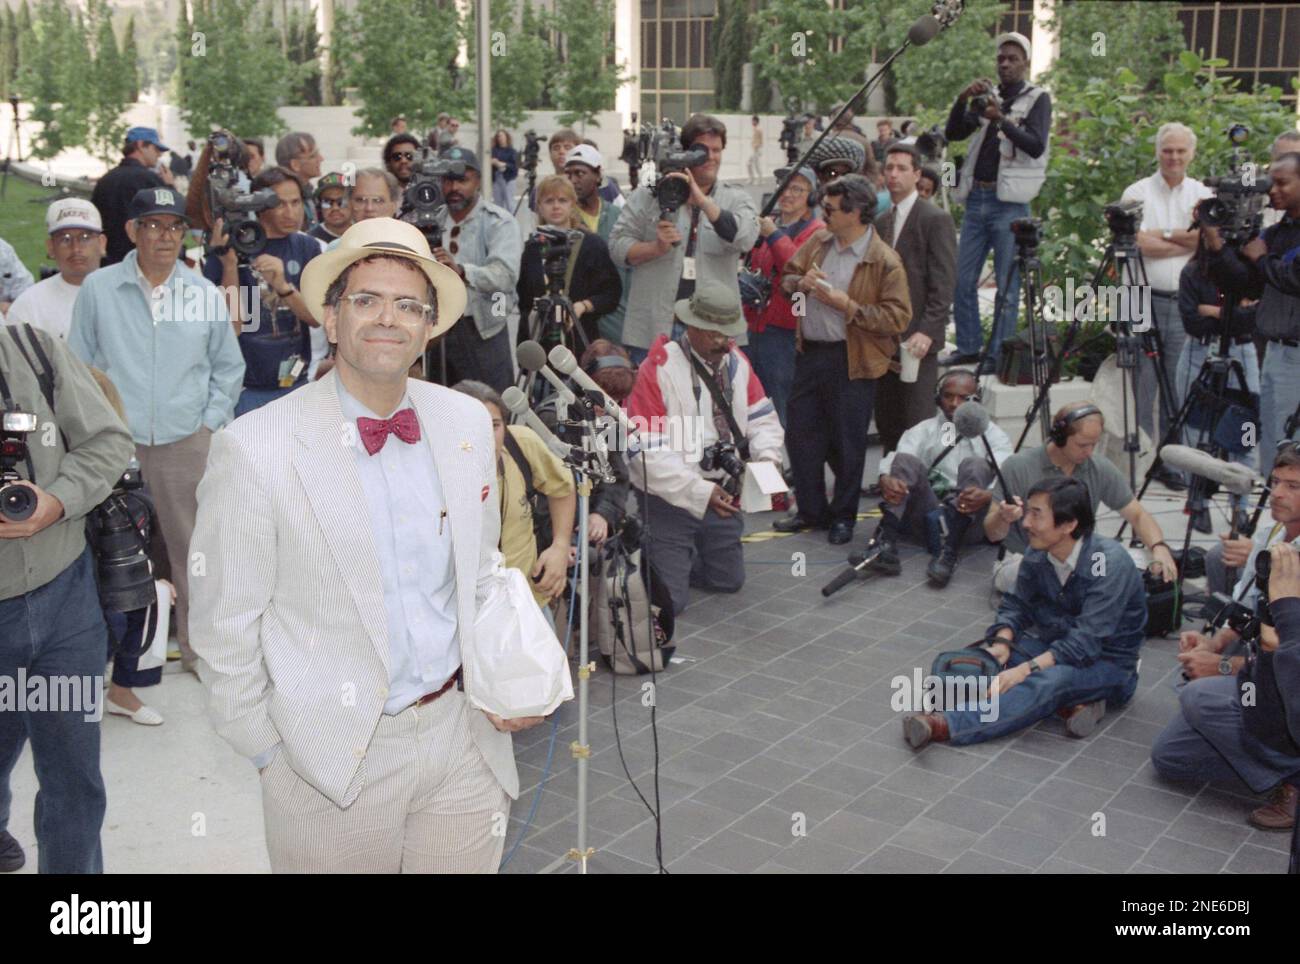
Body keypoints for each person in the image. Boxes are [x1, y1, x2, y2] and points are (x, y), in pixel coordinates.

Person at [190, 217, 543, 873]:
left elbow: (482, 570)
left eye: (408, 304)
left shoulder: (466, 421)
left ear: (429, 326)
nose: (389, 319)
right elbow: (223, 623)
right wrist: (272, 755)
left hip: (461, 742)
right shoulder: (254, 448)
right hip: (328, 763)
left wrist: (510, 676)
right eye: (367, 300)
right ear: (330, 316)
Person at [69, 187, 245, 671]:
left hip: (184, 440)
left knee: (193, 552)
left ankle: (195, 650)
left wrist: (208, 426)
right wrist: (93, 428)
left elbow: (227, 369)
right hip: (114, 443)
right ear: (131, 232)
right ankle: (106, 660)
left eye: (174, 227)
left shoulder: (204, 293)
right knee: (104, 550)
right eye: (153, 225)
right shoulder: (100, 289)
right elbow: (77, 364)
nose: (165, 237)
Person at [0, 322, 136, 873]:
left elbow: (108, 441)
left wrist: (57, 500)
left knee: (73, 784)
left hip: (64, 602)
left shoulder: (33, 350)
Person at [902, 477, 1146, 749]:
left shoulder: (1107, 563)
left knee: (1050, 680)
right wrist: (1002, 643)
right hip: (1054, 645)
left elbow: (1085, 643)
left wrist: (1022, 671)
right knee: (983, 663)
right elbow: (1016, 604)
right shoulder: (1038, 551)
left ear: (1068, 525)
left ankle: (945, 725)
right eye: (1027, 511)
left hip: (1107, 662)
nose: (1025, 522)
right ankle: (1075, 704)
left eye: (1036, 514)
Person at [1150, 444, 1300, 833]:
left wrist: (1220, 667)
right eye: (1277, 482)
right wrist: (1212, 643)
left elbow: (1290, 662)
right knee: (1172, 758)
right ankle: (1272, 766)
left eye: (1295, 486)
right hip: (1265, 673)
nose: (1279, 493)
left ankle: (1292, 782)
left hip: (1291, 685)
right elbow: (1248, 611)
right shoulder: (1270, 534)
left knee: (1200, 699)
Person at [625, 281, 784, 615]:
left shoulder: (738, 362)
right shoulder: (657, 368)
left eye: (728, 334)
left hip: (718, 492)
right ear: (691, 327)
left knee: (729, 581)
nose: (723, 343)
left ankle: (678, 555)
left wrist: (767, 462)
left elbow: (763, 419)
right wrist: (698, 492)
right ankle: (651, 544)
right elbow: (644, 453)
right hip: (668, 495)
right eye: (714, 334)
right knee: (672, 602)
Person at [771, 175, 911, 546]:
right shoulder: (820, 242)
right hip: (810, 353)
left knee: (847, 441)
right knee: (800, 435)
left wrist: (846, 307)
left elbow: (897, 319)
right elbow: (788, 279)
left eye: (831, 209)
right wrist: (800, 288)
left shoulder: (883, 260)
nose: (823, 214)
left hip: (853, 361)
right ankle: (810, 511)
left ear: (855, 213)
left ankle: (844, 517)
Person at [940, 32, 1052, 373]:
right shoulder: (988, 98)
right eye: (1001, 58)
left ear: (1025, 63)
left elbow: (1035, 145)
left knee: (1006, 285)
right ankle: (969, 347)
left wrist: (1000, 117)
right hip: (977, 198)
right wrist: (963, 99)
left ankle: (997, 357)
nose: (1005, 63)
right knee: (961, 278)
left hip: (1011, 205)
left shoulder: (1037, 99)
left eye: (1012, 58)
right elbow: (954, 133)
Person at [610, 113, 759, 364]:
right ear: (684, 151)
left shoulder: (736, 199)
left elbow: (745, 239)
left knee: (712, 402)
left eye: (717, 150)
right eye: (702, 150)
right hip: (653, 330)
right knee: (651, 402)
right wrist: (654, 248)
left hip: (713, 332)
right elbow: (616, 246)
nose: (711, 157)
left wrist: (703, 202)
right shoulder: (648, 196)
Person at [984, 401, 1178, 591]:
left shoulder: (1098, 467)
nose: (1089, 452)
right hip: (1021, 561)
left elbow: (1137, 515)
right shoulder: (1018, 466)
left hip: (1079, 560)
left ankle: (1098, 592)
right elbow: (992, 534)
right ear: (1059, 437)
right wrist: (1003, 517)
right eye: (1082, 445)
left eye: (1094, 444)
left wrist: (1158, 546)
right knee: (1078, 577)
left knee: (1137, 563)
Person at [1120, 122, 1214, 485]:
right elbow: (1135, 241)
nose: (1173, 157)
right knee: (1142, 386)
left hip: (1183, 304)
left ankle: (1171, 463)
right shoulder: (1137, 191)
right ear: (1157, 151)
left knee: (1179, 386)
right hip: (1137, 298)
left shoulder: (1202, 194)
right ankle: (1143, 460)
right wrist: (1183, 238)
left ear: (1191, 154)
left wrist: (1163, 237)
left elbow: (1205, 243)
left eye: (1180, 151)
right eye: (1167, 150)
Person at [856, 369, 1012, 585]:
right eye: (948, 396)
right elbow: (899, 461)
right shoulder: (923, 430)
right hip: (927, 514)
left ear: (976, 400)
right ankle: (885, 545)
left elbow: (1007, 475)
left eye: (963, 398)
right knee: (903, 459)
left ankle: (949, 553)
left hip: (968, 520)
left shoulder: (992, 434)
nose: (955, 403)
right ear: (938, 398)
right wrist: (885, 478)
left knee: (974, 464)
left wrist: (988, 495)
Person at [1205, 151, 1300, 465]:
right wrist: (1217, 245)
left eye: (1283, 183)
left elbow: (1293, 279)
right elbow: (1244, 284)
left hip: (1296, 355)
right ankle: (1278, 509)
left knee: (1291, 446)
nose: (1273, 190)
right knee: (1272, 444)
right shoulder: (1277, 232)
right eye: (1270, 183)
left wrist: (1260, 258)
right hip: (1273, 351)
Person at [203, 167, 321, 416]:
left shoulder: (307, 246)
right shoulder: (231, 243)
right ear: (259, 205)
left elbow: (316, 318)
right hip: (244, 389)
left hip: (295, 383)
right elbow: (230, 323)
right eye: (279, 204)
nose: (291, 212)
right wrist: (230, 266)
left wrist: (283, 286)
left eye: (296, 202)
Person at [453, 380, 575, 609]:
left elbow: (563, 489)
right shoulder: (434, 467)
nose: (487, 437)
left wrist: (560, 546)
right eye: (473, 426)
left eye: (495, 425)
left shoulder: (522, 443)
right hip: (465, 610)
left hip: (527, 602)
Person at [873, 144, 958, 457]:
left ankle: (916, 491)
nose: (894, 174)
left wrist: (928, 330)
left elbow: (944, 282)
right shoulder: (882, 221)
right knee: (887, 420)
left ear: (917, 174)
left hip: (918, 340)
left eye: (902, 168)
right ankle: (890, 481)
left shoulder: (935, 219)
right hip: (884, 340)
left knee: (916, 421)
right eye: (889, 167)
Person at [1176, 219, 1258, 527]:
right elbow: (1190, 321)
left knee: (1244, 429)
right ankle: (1198, 499)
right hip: (1199, 352)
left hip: (1242, 351)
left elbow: (1250, 320)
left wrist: (1211, 310)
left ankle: (1241, 507)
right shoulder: (1192, 272)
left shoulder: (1246, 273)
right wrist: (1230, 314)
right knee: (1195, 431)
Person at [428, 147, 522, 391]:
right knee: (440, 408)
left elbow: (505, 276)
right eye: (448, 180)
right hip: (439, 329)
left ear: (478, 181)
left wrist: (461, 271)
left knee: (493, 406)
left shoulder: (498, 221)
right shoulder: (431, 220)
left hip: (483, 330)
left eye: (462, 180)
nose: (454, 188)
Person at [743, 165, 824, 427]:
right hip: (755, 324)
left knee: (777, 405)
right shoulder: (772, 225)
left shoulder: (816, 231)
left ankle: (777, 461)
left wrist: (774, 235)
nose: (788, 194)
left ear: (811, 196)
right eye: (784, 187)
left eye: (797, 189)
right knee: (751, 401)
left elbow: (796, 265)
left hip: (784, 331)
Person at [516, 175, 622, 350]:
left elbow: (611, 293)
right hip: (540, 342)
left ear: (573, 205)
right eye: (549, 201)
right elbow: (524, 299)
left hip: (580, 339)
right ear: (539, 207)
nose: (556, 206)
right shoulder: (532, 248)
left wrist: (583, 306)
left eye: (562, 200)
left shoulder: (591, 244)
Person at [4, 200, 104, 339]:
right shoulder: (28, 307)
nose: (76, 248)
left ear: (102, 243)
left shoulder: (128, 295)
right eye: (65, 239)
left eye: (85, 238)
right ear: (51, 247)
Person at [564, 145, 631, 343]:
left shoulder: (618, 216)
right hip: (580, 325)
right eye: (568, 174)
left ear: (598, 175)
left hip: (616, 321)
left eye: (580, 173)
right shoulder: (564, 220)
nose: (573, 180)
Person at [90, 127, 172, 265]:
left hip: (108, 262)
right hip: (143, 262)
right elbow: (172, 217)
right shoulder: (149, 179)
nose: (159, 154)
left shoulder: (105, 180)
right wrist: (169, 186)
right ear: (140, 145)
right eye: (156, 149)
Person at [275, 132, 323, 229]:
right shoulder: (281, 202)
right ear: (295, 165)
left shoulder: (308, 194)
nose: (321, 159)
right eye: (313, 156)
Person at [308, 172, 351, 244]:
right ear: (319, 205)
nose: (335, 208)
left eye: (341, 201)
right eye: (327, 202)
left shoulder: (364, 233)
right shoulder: (309, 241)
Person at [490, 130, 519, 211]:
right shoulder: (494, 150)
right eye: (498, 136)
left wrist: (503, 164)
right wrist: (493, 162)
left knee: (510, 203)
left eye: (502, 136)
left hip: (508, 179)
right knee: (497, 203)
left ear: (506, 137)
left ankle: (512, 221)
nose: (500, 138)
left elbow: (515, 166)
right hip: (496, 179)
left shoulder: (512, 151)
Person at [747, 115, 763, 185]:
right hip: (754, 149)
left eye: (753, 120)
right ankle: (752, 178)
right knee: (749, 164)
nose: (752, 122)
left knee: (756, 165)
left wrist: (757, 148)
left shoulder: (759, 129)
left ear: (756, 121)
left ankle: (759, 180)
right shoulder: (755, 129)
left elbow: (761, 141)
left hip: (756, 150)